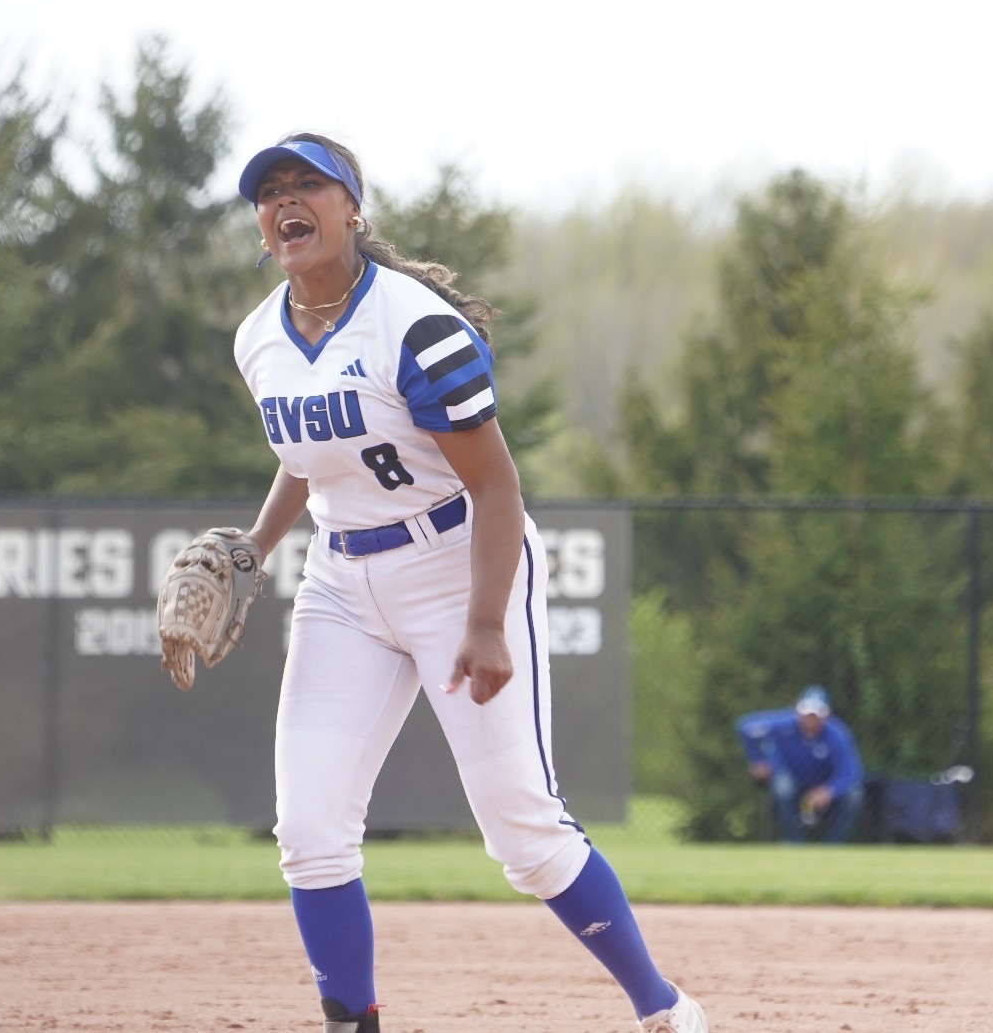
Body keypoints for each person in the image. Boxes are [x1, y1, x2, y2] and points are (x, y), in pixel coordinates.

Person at [227, 133, 707, 1033]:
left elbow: (494, 484)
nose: (286, 201)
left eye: (308, 186)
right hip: (340, 580)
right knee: (309, 829)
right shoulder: (261, 339)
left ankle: (663, 1007)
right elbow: (308, 459)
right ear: (261, 223)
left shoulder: (416, 327)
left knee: (523, 831)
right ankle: (351, 1022)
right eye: (270, 192)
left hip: (459, 566)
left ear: (352, 209)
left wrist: (486, 622)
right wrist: (256, 548)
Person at [736, 686, 866, 844]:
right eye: (806, 714)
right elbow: (746, 727)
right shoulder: (783, 724)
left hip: (823, 786)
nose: (810, 720)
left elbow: (852, 772)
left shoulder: (837, 734)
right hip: (792, 782)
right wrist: (758, 760)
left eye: (816, 715)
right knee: (782, 788)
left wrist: (828, 791)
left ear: (826, 716)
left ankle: (831, 846)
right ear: (798, 712)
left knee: (854, 795)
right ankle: (795, 842)